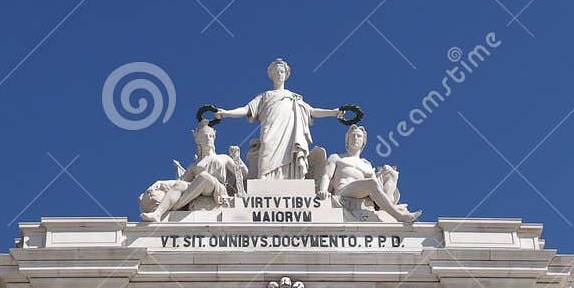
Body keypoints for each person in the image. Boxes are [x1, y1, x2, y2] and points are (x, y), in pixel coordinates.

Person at [213, 59, 344, 180]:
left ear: (286, 74)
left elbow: (312, 111)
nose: (279, 74)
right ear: (271, 75)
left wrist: (333, 112)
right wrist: (226, 113)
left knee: (290, 155)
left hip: (290, 134)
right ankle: (264, 182)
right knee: (266, 153)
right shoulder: (265, 96)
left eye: (282, 71)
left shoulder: (294, 97)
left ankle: (291, 182)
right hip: (270, 131)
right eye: (276, 72)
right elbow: (246, 109)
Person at [318, 124, 418, 222]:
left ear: (363, 142)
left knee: (390, 172)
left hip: (363, 192)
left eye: (359, 136)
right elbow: (326, 176)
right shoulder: (336, 157)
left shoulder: (366, 164)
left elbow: (376, 185)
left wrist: (384, 174)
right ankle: (398, 215)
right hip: (344, 191)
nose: (355, 138)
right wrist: (323, 190)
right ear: (347, 140)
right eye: (352, 136)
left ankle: (387, 209)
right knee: (371, 183)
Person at [140, 123, 236, 221]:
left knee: (204, 176)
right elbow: (178, 181)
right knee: (180, 185)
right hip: (198, 187)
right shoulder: (194, 165)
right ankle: (157, 214)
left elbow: (244, 174)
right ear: (198, 140)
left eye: (211, 136)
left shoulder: (224, 158)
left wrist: (237, 158)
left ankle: (176, 207)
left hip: (216, 187)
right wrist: (161, 183)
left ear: (214, 138)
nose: (208, 138)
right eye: (204, 136)